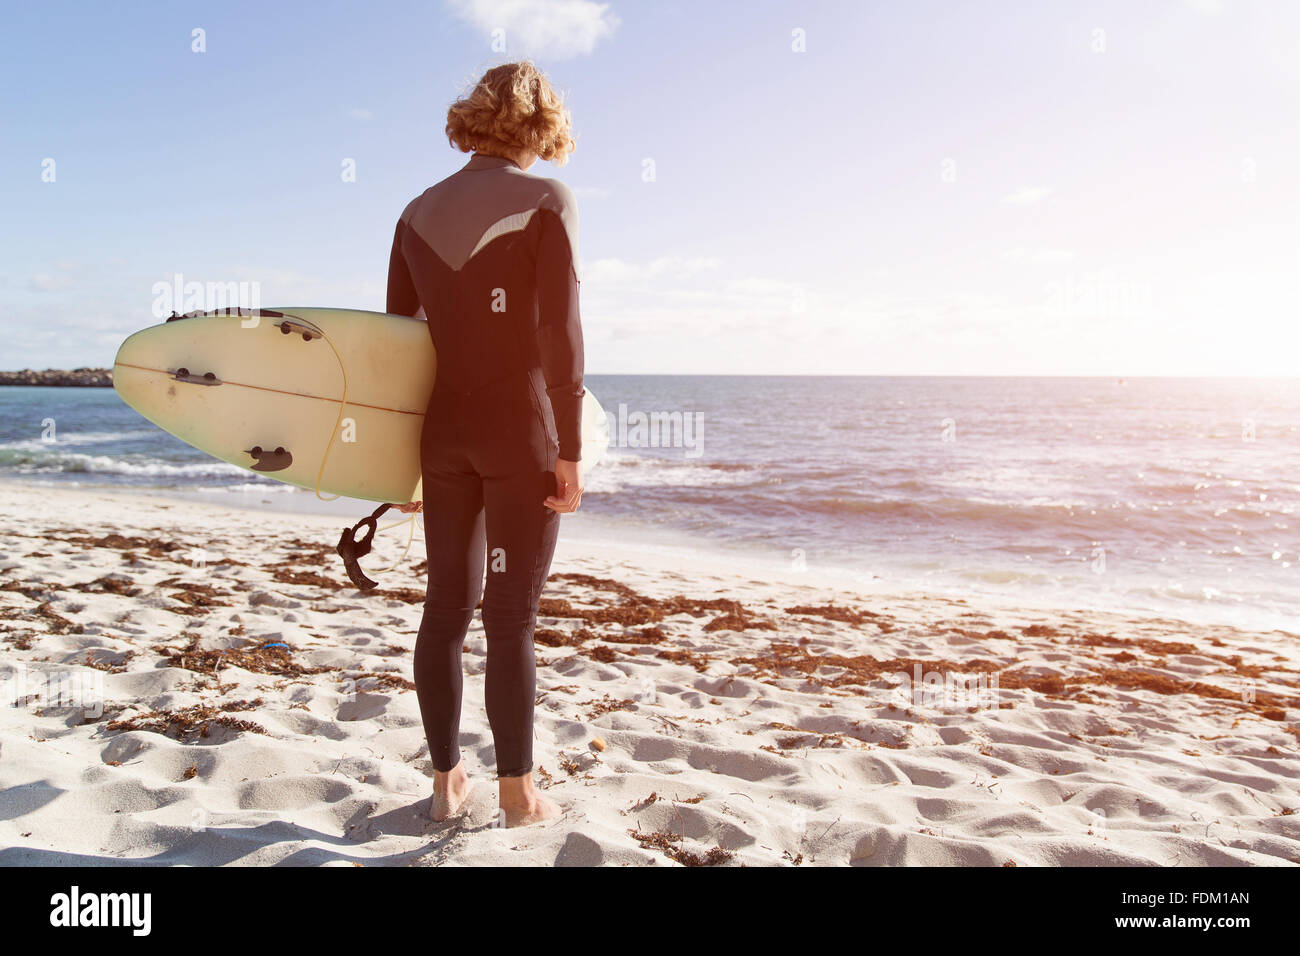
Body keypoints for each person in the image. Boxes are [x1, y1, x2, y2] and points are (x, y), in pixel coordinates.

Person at [385, 61, 586, 827]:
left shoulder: (415, 211)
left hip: (444, 434)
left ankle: (444, 784)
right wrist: (568, 447)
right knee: (509, 616)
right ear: (540, 125)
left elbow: (399, 345)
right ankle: (518, 793)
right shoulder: (547, 200)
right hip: (519, 432)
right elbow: (558, 335)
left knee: (445, 607)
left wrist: (401, 458)